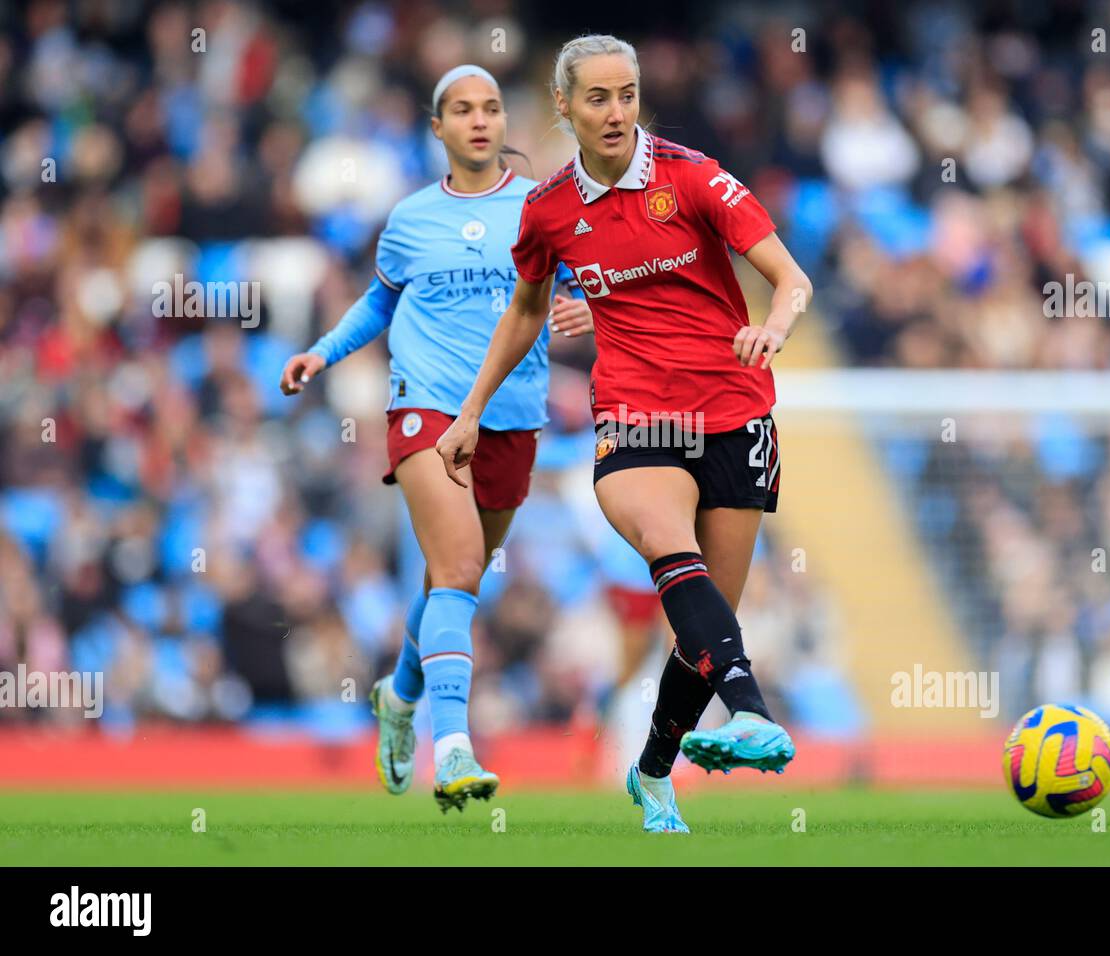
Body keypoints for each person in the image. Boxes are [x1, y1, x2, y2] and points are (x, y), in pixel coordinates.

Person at [434, 35, 813, 833]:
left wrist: (774, 325)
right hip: (637, 416)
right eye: (597, 97)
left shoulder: (694, 176)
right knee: (668, 544)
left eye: (627, 94)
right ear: (563, 105)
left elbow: (789, 277)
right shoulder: (549, 211)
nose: (615, 112)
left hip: (735, 412)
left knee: (701, 628)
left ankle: (651, 769)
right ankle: (751, 710)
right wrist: (470, 411)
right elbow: (527, 311)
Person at [278, 65, 593, 812]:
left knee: (453, 580)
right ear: (438, 128)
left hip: (513, 417)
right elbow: (379, 301)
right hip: (424, 411)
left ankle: (400, 694)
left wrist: (585, 310)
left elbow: (587, 287)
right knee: (454, 567)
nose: (480, 120)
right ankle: (450, 748)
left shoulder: (542, 210)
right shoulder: (410, 218)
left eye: (490, 108)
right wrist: (322, 351)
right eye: (462, 109)